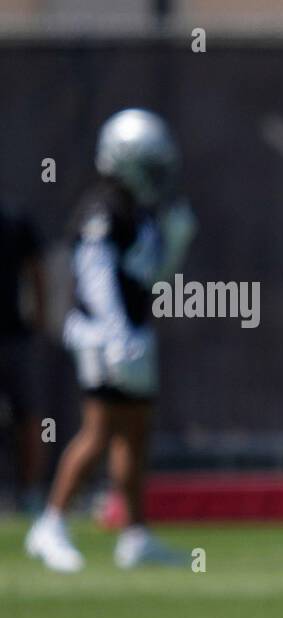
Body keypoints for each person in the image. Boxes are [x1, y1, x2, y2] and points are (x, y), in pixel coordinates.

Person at [25, 108, 195, 572]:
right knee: (99, 432)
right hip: (105, 336)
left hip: (131, 332)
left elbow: (149, 279)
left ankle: (136, 534)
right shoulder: (104, 207)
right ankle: (51, 524)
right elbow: (95, 275)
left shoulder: (140, 213)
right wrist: (117, 333)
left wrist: (176, 244)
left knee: (135, 435)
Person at [0, 202, 48, 514]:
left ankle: (30, 493)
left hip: (12, 336)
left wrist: (39, 318)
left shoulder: (15, 220)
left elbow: (36, 272)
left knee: (27, 416)